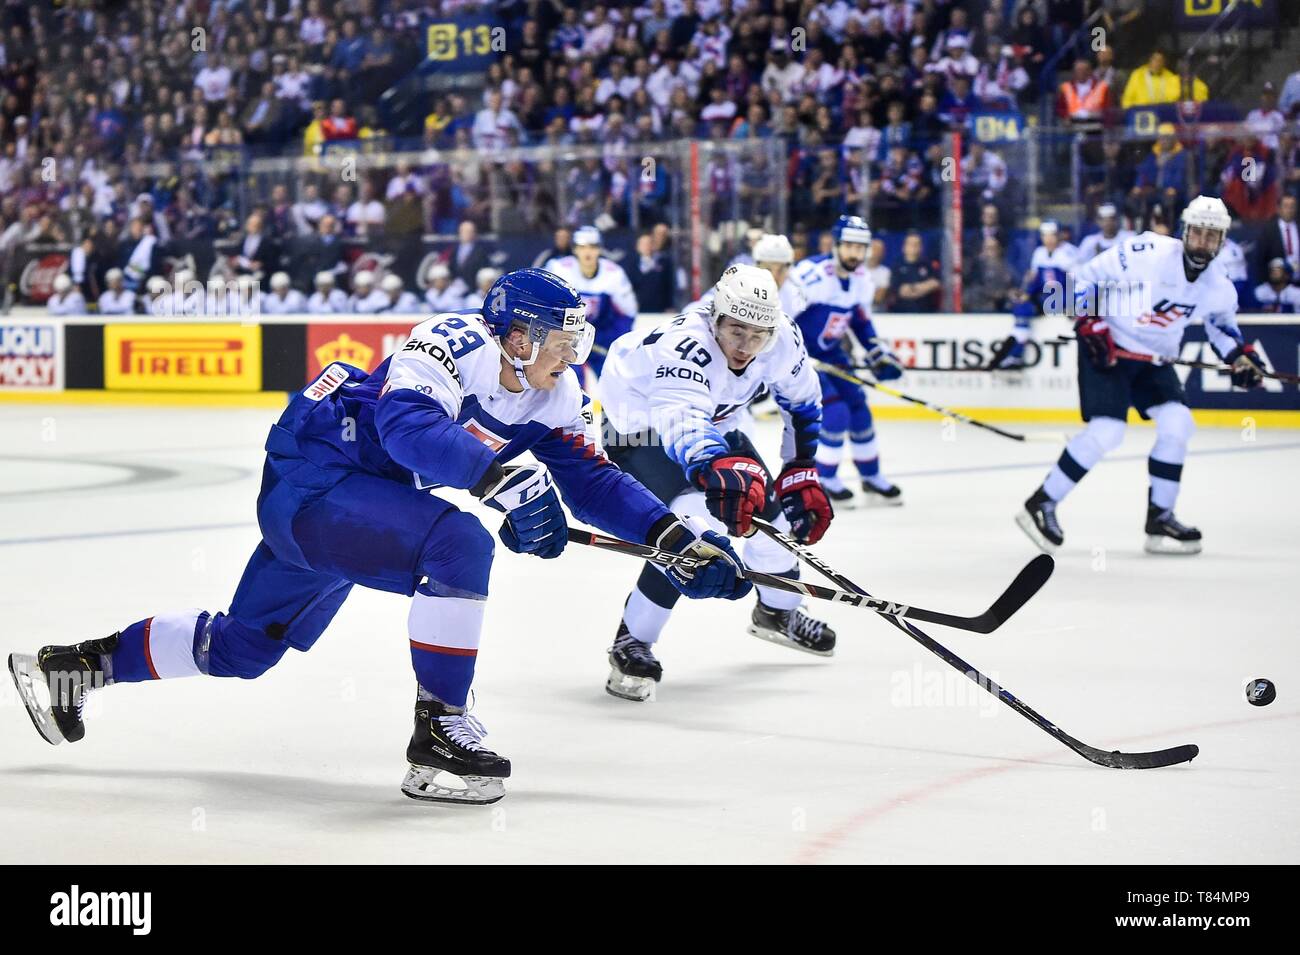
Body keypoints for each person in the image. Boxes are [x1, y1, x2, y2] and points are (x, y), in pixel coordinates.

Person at [8, 269, 751, 806]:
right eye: (562, 337)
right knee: (459, 544)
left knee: (246, 647)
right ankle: (440, 730)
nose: (573, 352)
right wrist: (505, 481)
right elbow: (408, 428)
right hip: (316, 480)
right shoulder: (455, 339)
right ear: (518, 334)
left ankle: (75, 668)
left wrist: (671, 536)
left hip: (358, 501)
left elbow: (589, 479)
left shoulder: (551, 388)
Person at [598, 264, 833, 701]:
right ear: (715, 316)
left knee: (775, 523)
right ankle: (632, 641)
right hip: (638, 427)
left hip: (718, 423)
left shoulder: (782, 337)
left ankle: (777, 614)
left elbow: (801, 402)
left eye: (757, 335)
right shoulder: (687, 345)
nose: (746, 346)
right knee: (690, 533)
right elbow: (680, 418)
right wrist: (712, 468)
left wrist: (800, 469)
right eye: (736, 331)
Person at [1017, 196, 1267, 556]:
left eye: (1212, 237)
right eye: (1198, 234)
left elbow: (1222, 327)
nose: (1203, 244)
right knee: (1109, 430)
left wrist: (1240, 358)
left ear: (1222, 240)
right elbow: (1079, 282)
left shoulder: (1218, 285)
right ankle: (1041, 502)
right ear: (1185, 231)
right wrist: (1090, 323)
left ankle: (1160, 517)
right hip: (1108, 349)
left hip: (1154, 359)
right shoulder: (1144, 252)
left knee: (1178, 424)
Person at [791, 215, 904, 506]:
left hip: (831, 355)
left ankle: (871, 476)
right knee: (836, 411)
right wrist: (794, 355)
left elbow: (861, 322)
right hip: (802, 360)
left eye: (860, 248)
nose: (855, 254)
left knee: (858, 407)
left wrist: (877, 353)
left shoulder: (861, 280)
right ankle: (822, 479)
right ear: (837, 245)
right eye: (849, 246)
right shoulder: (811, 274)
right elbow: (782, 320)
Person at [544, 225, 638, 378]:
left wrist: (615, 343)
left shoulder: (614, 274)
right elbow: (545, 307)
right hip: (566, 334)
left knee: (613, 377)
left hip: (600, 334)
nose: (587, 252)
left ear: (599, 249)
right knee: (567, 378)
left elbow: (627, 314)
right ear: (575, 249)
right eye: (582, 247)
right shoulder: (558, 268)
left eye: (592, 247)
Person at [989, 221, 1079, 370]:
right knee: (1022, 309)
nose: (1049, 239)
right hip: (1044, 298)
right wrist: (1028, 294)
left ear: (1059, 236)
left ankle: (1013, 355)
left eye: (1052, 235)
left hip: (1061, 297)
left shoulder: (1069, 253)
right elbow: (1035, 280)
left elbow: (1078, 281)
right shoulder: (1039, 253)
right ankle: (1015, 356)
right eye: (1045, 236)